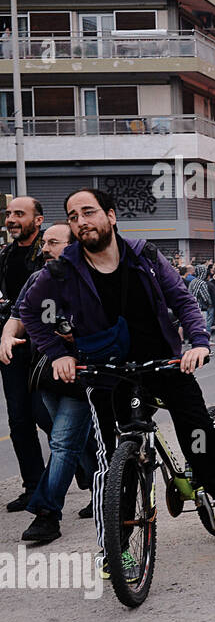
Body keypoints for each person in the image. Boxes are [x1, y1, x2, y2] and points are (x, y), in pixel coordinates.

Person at [20, 189, 215, 571]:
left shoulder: (144, 256)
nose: (81, 221)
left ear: (110, 215)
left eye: (89, 212)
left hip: (164, 361)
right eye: (73, 216)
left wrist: (199, 343)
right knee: (114, 459)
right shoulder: (61, 271)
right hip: (107, 373)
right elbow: (32, 311)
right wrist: (59, 355)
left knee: (196, 429)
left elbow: (183, 301)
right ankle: (117, 547)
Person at [1, 224, 93, 544]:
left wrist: (76, 333)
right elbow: (18, 314)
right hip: (47, 373)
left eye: (52, 242)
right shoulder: (38, 278)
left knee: (65, 440)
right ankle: (101, 488)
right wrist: (6, 337)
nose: (44, 248)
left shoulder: (93, 274)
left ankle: (47, 513)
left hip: (86, 371)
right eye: (44, 243)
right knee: (70, 435)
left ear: (73, 245)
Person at [0, 196, 52, 512]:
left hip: (46, 347)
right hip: (14, 347)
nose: (11, 219)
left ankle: (93, 477)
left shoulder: (47, 254)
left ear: (38, 220)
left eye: (19, 213)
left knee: (47, 415)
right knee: (19, 420)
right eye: (9, 214)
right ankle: (33, 486)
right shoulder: (6, 255)